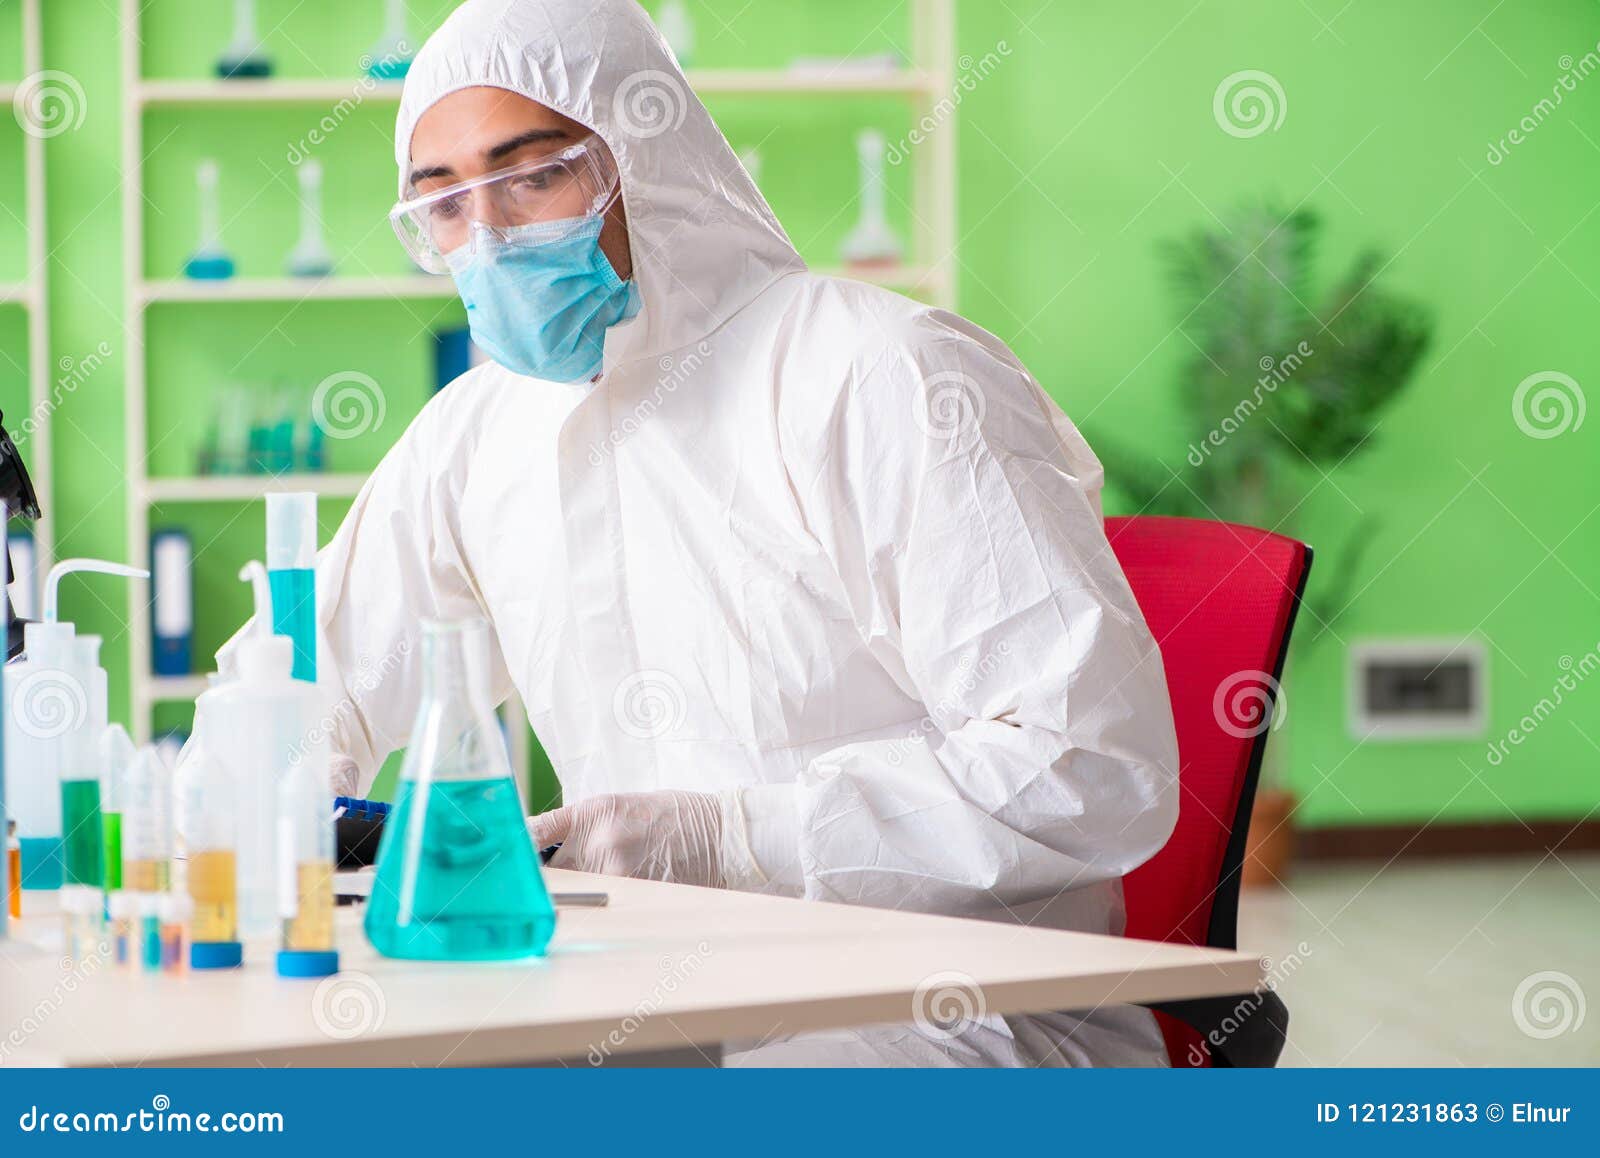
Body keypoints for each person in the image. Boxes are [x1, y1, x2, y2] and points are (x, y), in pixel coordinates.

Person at [216, 0, 1181, 1067]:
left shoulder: (882, 373)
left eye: (533, 178)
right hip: (636, 986)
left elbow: (1091, 768)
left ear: (644, 158)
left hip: (940, 1007)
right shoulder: (478, 431)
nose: (484, 242)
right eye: (442, 205)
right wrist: (262, 779)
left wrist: (733, 841)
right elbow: (310, 677)